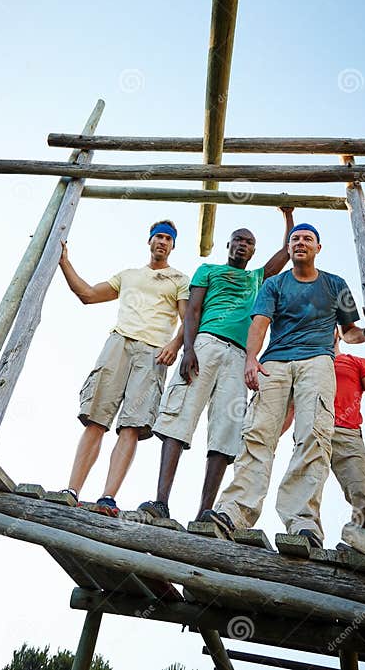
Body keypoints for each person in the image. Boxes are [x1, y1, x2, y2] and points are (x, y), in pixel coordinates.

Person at [203, 223, 365, 548]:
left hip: (318, 362)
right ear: (290, 247)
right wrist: (252, 359)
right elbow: (260, 322)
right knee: (257, 435)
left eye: (307, 238)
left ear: (318, 247)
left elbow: (349, 332)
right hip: (276, 361)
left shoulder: (335, 284)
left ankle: (303, 523)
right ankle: (233, 512)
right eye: (295, 238)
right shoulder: (276, 283)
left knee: (312, 437)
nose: (300, 242)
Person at [138, 208, 295, 522]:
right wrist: (188, 349)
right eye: (237, 240)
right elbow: (193, 311)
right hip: (206, 345)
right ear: (228, 245)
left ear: (253, 251)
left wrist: (288, 216)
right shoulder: (208, 270)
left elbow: (286, 252)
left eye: (248, 242)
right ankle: (161, 503)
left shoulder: (257, 278)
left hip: (239, 355)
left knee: (226, 430)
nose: (242, 245)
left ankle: (204, 513)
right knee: (180, 416)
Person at [59, 220, 189, 514]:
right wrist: (64, 263)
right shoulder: (129, 275)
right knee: (96, 417)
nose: (162, 242)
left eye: (168, 239)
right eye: (158, 237)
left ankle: (107, 497)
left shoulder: (179, 279)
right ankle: (72, 489)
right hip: (119, 344)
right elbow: (88, 295)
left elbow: (187, 319)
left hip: (154, 351)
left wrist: (175, 345)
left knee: (132, 424)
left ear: (172, 246)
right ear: (150, 241)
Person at [280, 329, 365, 536]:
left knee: (364, 491)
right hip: (314, 427)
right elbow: (292, 408)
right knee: (305, 483)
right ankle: (304, 532)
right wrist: (273, 438)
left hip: (348, 434)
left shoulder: (356, 362)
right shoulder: (305, 365)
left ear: (337, 333)